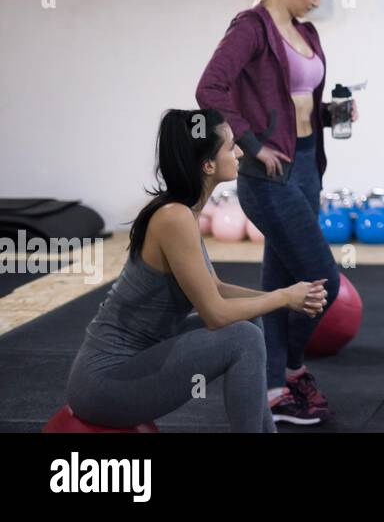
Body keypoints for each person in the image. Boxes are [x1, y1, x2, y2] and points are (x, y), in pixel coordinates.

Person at [65, 109, 326, 432]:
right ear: (207, 165)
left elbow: (214, 288)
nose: (242, 152)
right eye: (232, 147)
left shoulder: (182, 211)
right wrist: (285, 297)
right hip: (105, 385)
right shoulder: (173, 218)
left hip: (136, 361)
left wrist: (283, 296)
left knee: (249, 320)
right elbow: (216, 313)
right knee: (242, 336)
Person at [196, 0, 354, 426]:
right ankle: (292, 368)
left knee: (281, 280)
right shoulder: (251, 27)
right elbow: (210, 88)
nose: (318, 1)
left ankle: (271, 391)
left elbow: (294, 102)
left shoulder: (304, 30)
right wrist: (250, 142)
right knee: (322, 278)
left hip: (308, 166)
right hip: (269, 175)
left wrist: (332, 113)